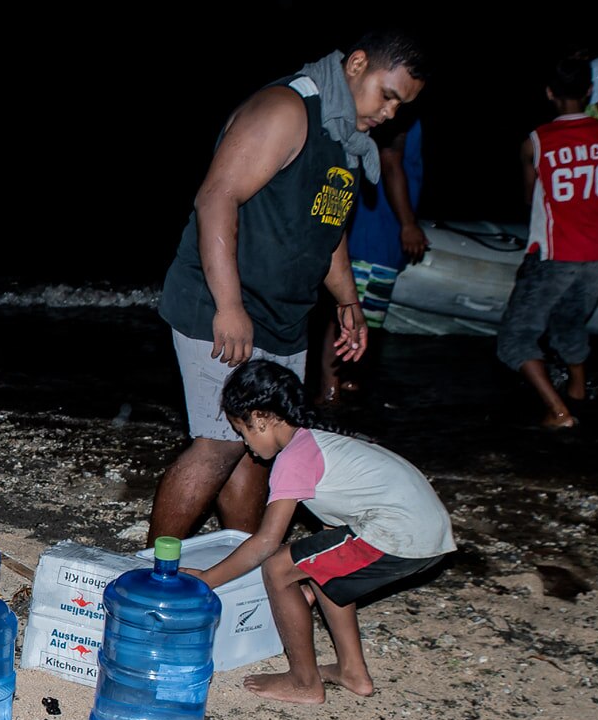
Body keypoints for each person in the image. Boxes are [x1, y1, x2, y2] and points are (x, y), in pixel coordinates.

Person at [151, 32, 428, 542]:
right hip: (220, 305)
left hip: (284, 317)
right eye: (387, 95)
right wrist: (228, 306)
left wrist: (348, 301)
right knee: (218, 444)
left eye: (402, 106)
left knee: (261, 445)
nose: (391, 114)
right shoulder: (287, 109)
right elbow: (216, 198)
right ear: (357, 65)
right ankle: (151, 569)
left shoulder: (345, 140)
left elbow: (329, 229)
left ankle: (241, 563)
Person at [190, 361, 452, 706]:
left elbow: (266, 542)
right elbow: (332, 534)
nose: (247, 445)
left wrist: (207, 580)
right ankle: (352, 672)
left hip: (400, 533)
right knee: (318, 563)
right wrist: (302, 592)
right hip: (426, 534)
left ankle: (304, 682)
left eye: (244, 431)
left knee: (278, 567)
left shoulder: (293, 459)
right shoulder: (318, 443)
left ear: (262, 417)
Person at [496, 56, 598, 429]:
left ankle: (558, 411)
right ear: (589, 91)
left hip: (555, 253)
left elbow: (528, 199)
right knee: (570, 325)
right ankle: (577, 389)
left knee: (514, 337)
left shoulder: (535, 141)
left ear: (549, 93)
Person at [312, 110, 424, 404]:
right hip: (373, 228)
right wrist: (408, 224)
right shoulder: (399, 115)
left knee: (367, 314)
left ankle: (345, 379)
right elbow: (389, 161)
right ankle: (328, 387)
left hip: (384, 235)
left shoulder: (403, 112)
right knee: (347, 313)